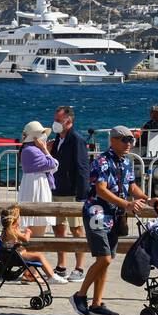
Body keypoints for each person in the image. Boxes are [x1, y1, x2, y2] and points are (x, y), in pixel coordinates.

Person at [75, 125, 158, 315]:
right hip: (96, 213)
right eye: (125, 140)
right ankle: (80, 296)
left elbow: (131, 186)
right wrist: (126, 204)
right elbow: (101, 190)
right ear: (113, 140)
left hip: (113, 217)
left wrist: (148, 199)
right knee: (104, 258)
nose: (129, 144)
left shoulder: (126, 162)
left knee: (105, 261)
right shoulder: (102, 161)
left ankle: (96, 303)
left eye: (131, 140)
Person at [49, 105, 89, 283]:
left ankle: (79, 268)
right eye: (55, 120)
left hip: (72, 192)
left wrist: (82, 195)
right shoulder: (57, 138)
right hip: (57, 189)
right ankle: (61, 266)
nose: (55, 123)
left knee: (76, 229)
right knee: (58, 228)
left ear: (68, 121)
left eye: (58, 120)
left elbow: (82, 168)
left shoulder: (77, 139)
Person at [17, 120, 59, 271]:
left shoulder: (28, 149)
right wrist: (46, 151)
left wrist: (44, 151)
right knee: (37, 231)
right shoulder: (31, 151)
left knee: (35, 230)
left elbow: (51, 166)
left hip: (35, 187)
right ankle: (31, 271)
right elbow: (53, 165)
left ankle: (30, 270)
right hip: (37, 189)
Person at [0, 206, 51, 285]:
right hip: (18, 255)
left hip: (11, 255)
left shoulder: (6, 230)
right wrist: (28, 232)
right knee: (39, 256)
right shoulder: (13, 230)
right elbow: (26, 239)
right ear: (16, 220)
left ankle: (29, 275)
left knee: (35, 255)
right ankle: (51, 276)